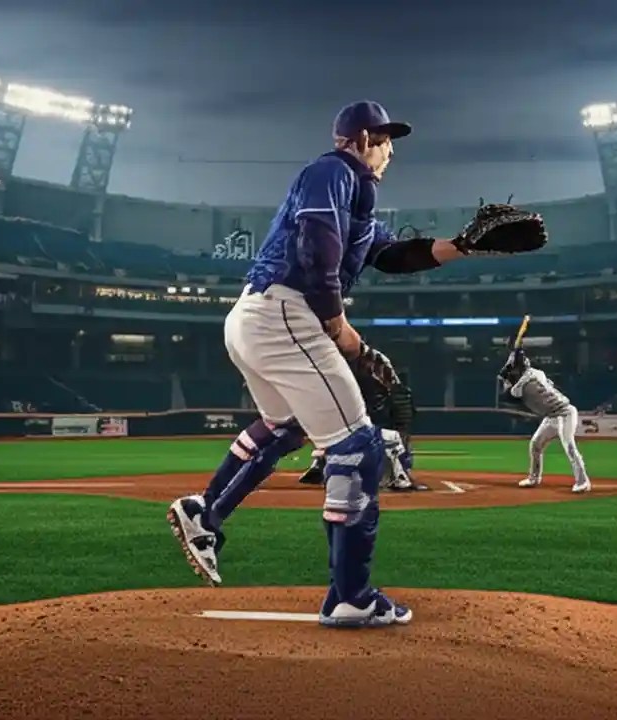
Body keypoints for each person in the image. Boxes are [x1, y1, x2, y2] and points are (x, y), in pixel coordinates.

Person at [166, 100, 474, 628]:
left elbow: (398, 255)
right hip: (286, 311)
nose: (391, 150)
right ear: (358, 139)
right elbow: (317, 242)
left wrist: (465, 246)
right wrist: (336, 323)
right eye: (383, 139)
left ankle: (206, 511)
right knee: (358, 445)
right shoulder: (333, 171)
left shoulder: (357, 203)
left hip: (256, 315)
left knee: (285, 428)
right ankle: (351, 596)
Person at [298, 369, 423, 491]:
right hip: (354, 434)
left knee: (332, 441)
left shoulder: (346, 400)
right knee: (392, 438)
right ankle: (398, 478)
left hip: (343, 435)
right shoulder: (355, 400)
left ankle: (319, 467)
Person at [497, 348, 591, 492]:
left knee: (569, 446)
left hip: (565, 412)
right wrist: (509, 371)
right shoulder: (536, 374)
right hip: (551, 416)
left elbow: (509, 394)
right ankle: (534, 478)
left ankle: (583, 482)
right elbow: (510, 391)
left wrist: (505, 375)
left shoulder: (522, 384)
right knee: (535, 444)